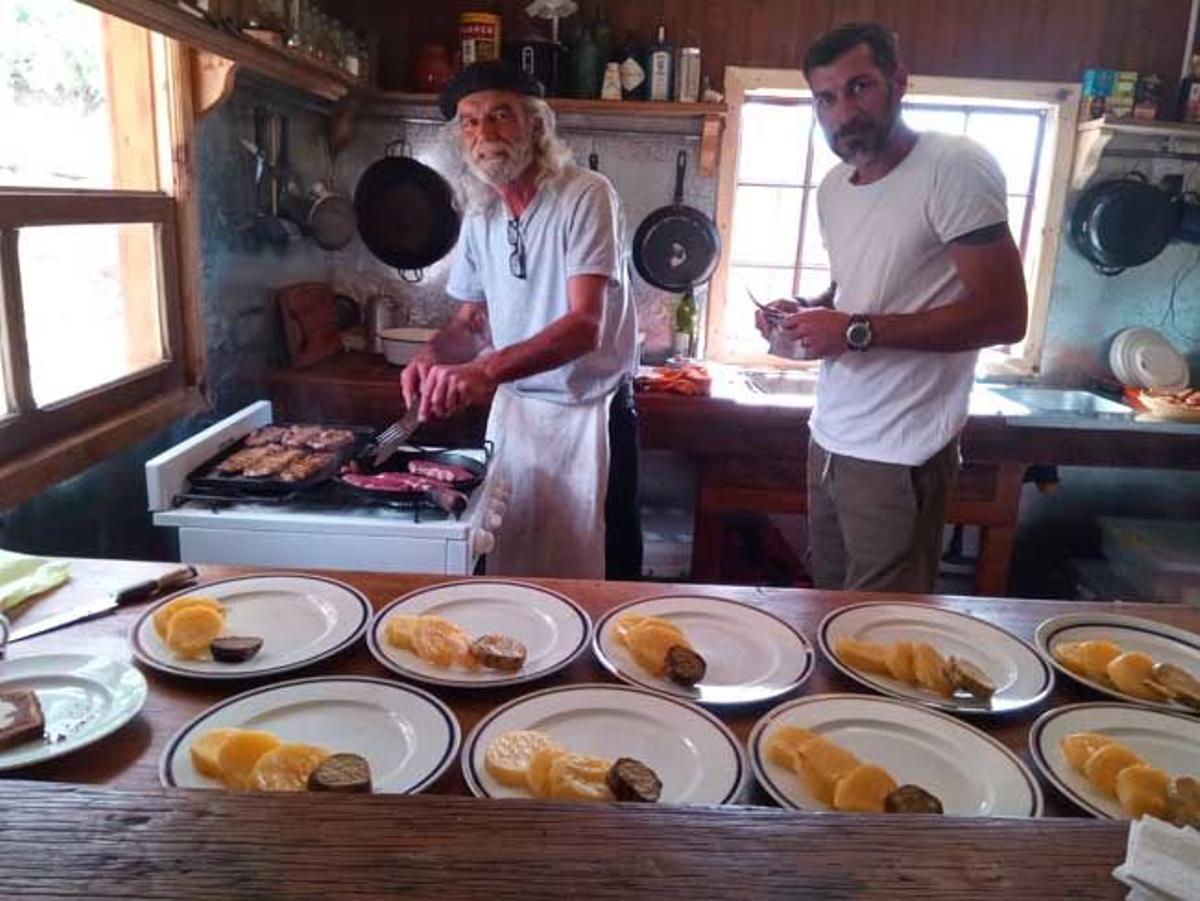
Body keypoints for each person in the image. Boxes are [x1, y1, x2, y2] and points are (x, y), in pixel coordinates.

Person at [756, 23, 1027, 593]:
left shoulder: (953, 166)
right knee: (828, 613)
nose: (843, 112)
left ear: (899, 82)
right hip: (830, 439)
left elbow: (1004, 315)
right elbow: (860, 291)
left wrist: (852, 332)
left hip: (901, 451)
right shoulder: (834, 187)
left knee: (882, 635)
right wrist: (807, 311)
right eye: (826, 98)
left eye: (860, 88)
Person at [401, 61, 642, 580]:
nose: (483, 134)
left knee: (605, 579)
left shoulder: (586, 194)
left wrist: (483, 373)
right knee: (507, 562)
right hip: (518, 419)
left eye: (500, 115)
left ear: (536, 125)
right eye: (469, 121)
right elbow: (472, 320)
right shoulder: (482, 212)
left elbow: (584, 325)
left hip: (592, 417)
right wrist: (433, 353)